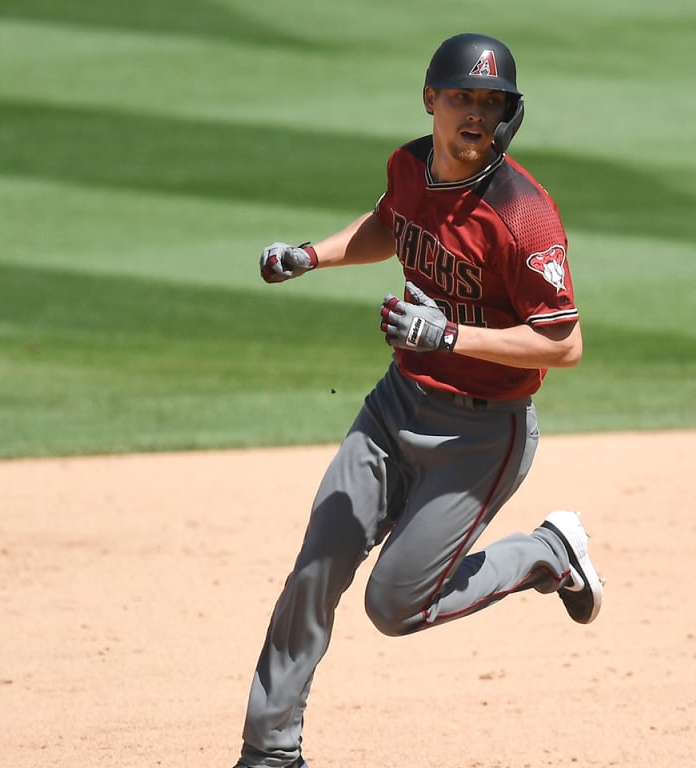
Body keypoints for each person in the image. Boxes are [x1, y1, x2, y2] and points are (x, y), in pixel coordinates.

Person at [236, 32, 602, 768]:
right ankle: (270, 751)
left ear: (509, 115)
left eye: (491, 102)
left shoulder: (524, 215)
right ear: (430, 99)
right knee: (318, 565)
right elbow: (387, 225)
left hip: (482, 437)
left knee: (393, 606)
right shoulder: (409, 165)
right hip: (394, 408)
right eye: (462, 97)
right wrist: (312, 255)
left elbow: (564, 344)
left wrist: (450, 336)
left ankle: (547, 554)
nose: (475, 114)